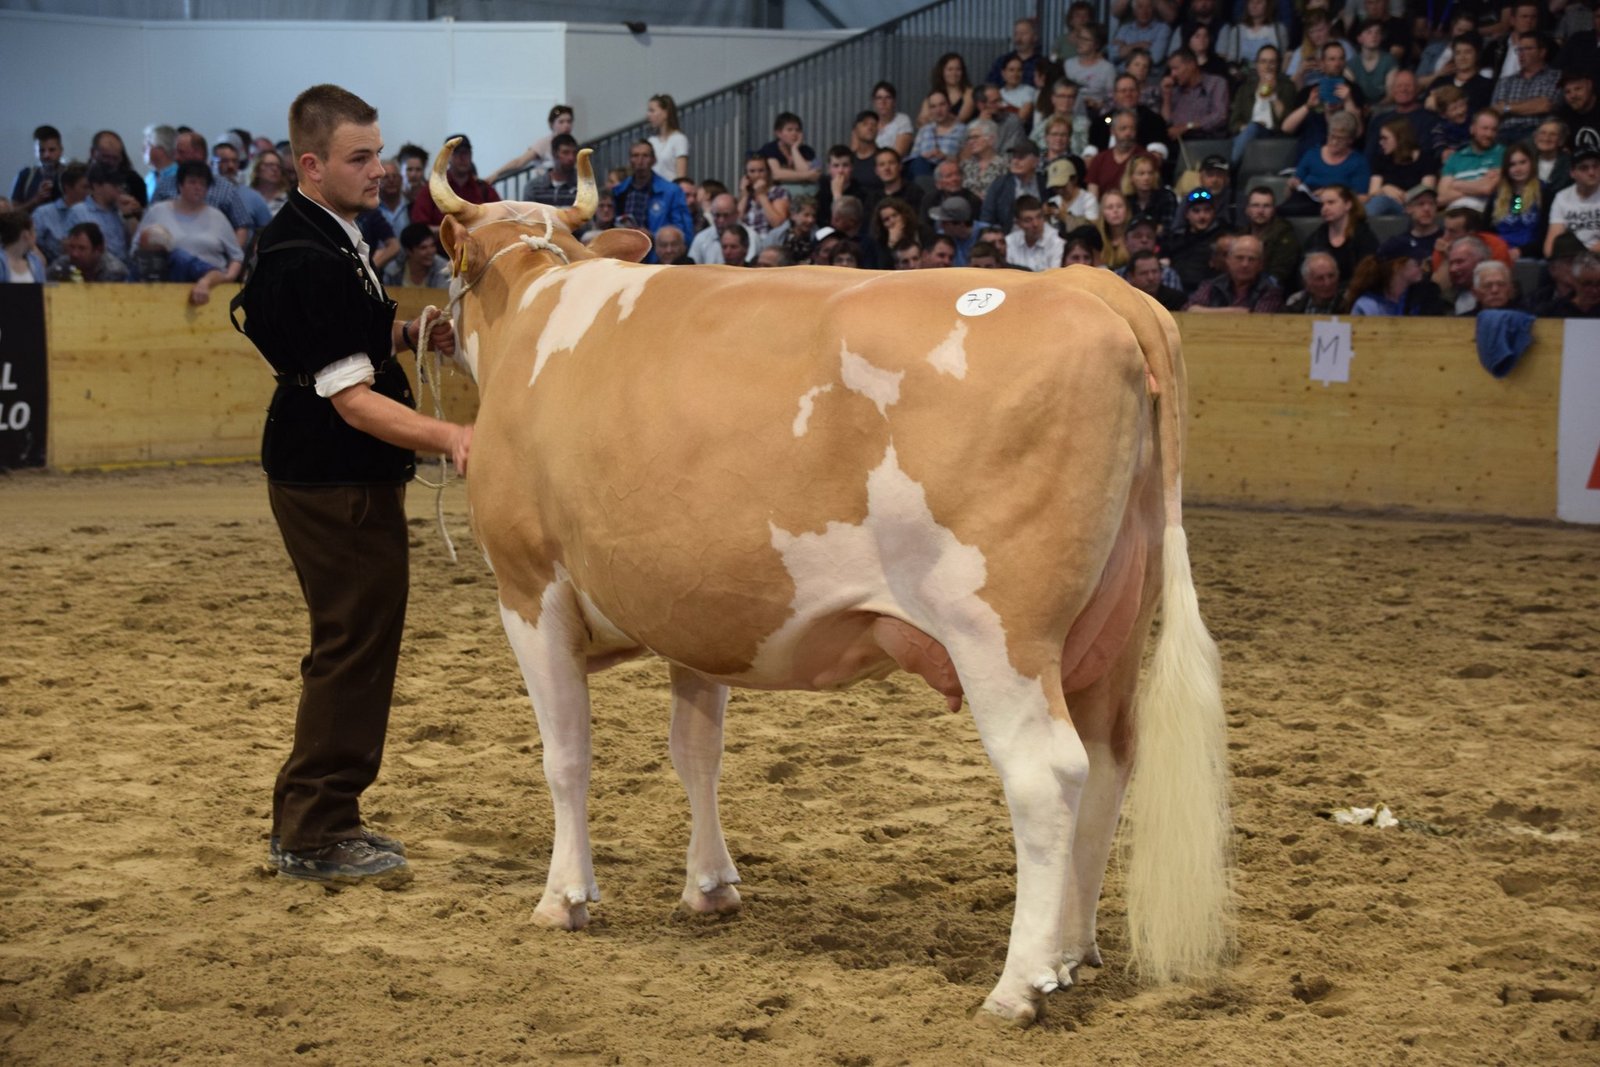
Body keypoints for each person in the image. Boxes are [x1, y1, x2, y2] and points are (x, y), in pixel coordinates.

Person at [234, 84, 470, 889]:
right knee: (352, 645)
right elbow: (354, 401)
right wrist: (457, 437)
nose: (381, 172)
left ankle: (323, 817)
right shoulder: (310, 256)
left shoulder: (327, 236)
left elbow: (346, 345)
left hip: (333, 474)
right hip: (336, 476)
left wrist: (405, 332)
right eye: (359, 158)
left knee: (356, 640)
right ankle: (313, 827)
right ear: (312, 164)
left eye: (378, 153)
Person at [133, 162, 243, 302]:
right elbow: (136, 248)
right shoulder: (157, 211)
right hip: (166, 287)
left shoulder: (218, 217)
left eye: (203, 184)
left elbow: (237, 257)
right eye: (192, 182)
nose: (198, 188)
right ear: (180, 185)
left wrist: (228, 278)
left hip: (212, 287)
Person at [611, 141, 694, 264]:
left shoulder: (671, 191)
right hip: (627, 258)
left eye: (645, 156)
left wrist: (654, 236)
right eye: (635, 156)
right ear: (630, 160)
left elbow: (684, 231)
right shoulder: (619, 191)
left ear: (653, 160)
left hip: (658, 259)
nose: (640, 160)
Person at [1282, 111, 1371, 217]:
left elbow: (1361, 198)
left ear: (1350, 140)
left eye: (1340, 139)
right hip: (1304, 201)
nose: (1334, 142)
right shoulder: (1312, 154)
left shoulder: (1358, 162)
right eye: (1332, 136)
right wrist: (1291, 184)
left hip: (1335, 209)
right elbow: (1292, 187)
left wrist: (1328, 194)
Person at [1229, 45, 1297, 168]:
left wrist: (1273, 96)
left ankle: (1231, 167)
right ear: (1257, 65)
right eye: (1263, 62)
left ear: (1277, 65)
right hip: (1249, 134)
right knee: (1253, 127)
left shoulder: (1287, 87)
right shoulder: (1245, 89)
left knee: (1254, 127)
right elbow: (1234, 123)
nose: (1267, 66)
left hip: (1274, 135)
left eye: (1272, 62)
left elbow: (1287, 121)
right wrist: (1246, 128)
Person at [411, 135, 499, 227]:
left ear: (471, 155)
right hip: (441, 241)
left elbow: (502, 219)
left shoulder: (484, 189)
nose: (462, 157)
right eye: (456, 152)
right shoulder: (431, 190)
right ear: (447, 157)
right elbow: (419, 228)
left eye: (466, 153)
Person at [1490, 33, 1562, 145]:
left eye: (1528, 49)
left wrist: (1507, 107)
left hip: (1536, 133)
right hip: (1504, 134)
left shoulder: (1554, 77)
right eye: (1519, 50)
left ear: (1542, 52)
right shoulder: (1506, 81)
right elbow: (1495, 110)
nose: (1521, 54)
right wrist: (1530, 106)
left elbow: (1544, 105)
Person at [1186, 234, 1285, 311]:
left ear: (1260, 265)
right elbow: (1188, 310)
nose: (1245, 264)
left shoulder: (1270, 290)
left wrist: (1207, 312)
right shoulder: (1213, 285)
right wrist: (1238, 311)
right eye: (1239, 258)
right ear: (1228, 260)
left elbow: (1256, 320)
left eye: (1251, 259)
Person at [1303, 184, 1378, 282]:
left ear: (1348, 205)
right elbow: (1304, 273)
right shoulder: (1316, 237)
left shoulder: (1364, 237)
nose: (1324, 209)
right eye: (1322, 204)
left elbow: (1368, 275)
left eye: (1331, 202)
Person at [485, 104, 574, 185]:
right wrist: (496, 173)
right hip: (545, 189)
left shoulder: (573, 143)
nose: (566, 125)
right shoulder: (543, 143)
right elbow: (519, 162)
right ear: (552, 124)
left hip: (568, 187)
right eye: (561, 122)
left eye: (569, 121)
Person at [1486, 142, 1546, 256]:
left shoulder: (1544, 192)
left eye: (1522, 162)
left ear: (1531, 163)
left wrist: (1521, 251)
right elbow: (1486, 230)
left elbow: (1546, 235)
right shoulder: (1497, 194)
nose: (1518, 169)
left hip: (1532, 256)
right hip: (1499, 253)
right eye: (1512, 164)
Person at [1438, 109, 1506, 210]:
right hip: (1454, 212)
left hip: (1485, 213)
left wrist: (1456, 184)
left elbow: (1487, 189)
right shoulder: (1455, 158)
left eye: (1493, 130)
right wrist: (1477, 187)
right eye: (1485, 128)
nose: (1489, 134)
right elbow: (1442, 198)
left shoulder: (1502, 153)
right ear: (1472, 129)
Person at [1165, 188, 1230, 290]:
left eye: (1207, 210)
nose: (1202, 216)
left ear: (1214, 213)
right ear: (1186, 214)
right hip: (1177, 291)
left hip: (1210, 292)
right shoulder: (1175, 238)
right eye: (1196, 211)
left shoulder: (1223, 238)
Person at [1367, 118, 1435, 215]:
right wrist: (1385, 189)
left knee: (1381, 201)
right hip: (1389, 204)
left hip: (1415, 206)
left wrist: (1403, 195)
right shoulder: (1380, 159)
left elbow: (1427, 190)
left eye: (1385, 138)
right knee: (1380, 201)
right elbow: (1372, 193)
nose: (1380, 142)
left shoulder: (1425, 159)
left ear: (1400, 138)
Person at [1161, 48, 1231, 141]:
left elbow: (1220, 116)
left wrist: (1188, 126)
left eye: (1176, 68)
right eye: (1171, 70)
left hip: (1206, 141)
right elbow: (1167, 121)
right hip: (1177, 142)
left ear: (1191, 65)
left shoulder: (1216, 83)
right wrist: (1166, 96)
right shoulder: (1175, 89)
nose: (1172, 74)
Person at [978, 141, 1047, 234]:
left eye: (1021, 157)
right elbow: (986, 218)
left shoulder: (1045, 183)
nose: (1015, 161)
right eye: (1014, 157)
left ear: (1036, 162)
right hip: (1007, 240)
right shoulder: (1000, 184)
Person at [1241, 185, 1302, 285]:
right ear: (1247, 210)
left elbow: (1279, 274)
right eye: (1255, 205)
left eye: (1266, 206)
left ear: (1273, 210)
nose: (1260, 211)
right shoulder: (1242, 234)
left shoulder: (1284, 234)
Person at [1545, 146, 1600, 255]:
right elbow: (1551, 244)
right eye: (1584, 168)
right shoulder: (1562, 197)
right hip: (1570, 258)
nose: (1591, 172)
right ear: (1572, 173)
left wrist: (1585, 258)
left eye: (1596, 166)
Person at [1345, 244, 1431, 313]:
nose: (1423, 268)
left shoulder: (1416, 298)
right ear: (1397, 266)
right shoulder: (1367, 305)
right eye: (1417, 263)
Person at [909, 91, 968, 179]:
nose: (938, 110)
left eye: (942, 105)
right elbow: (912, 158)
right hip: (923, 171)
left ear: (949, 105)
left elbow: (967, 161)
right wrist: (924, 156)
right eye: (933, 107)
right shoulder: (924, 130)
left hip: (949, 174)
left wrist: (945, 157)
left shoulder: (963, 130)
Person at [46, 222, 130, 282]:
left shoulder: (114, 271)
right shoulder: (61, 266)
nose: (74, 254)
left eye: (82, 248)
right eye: (72, 247)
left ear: (99, 249)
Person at [1064, 24, 1118, 116]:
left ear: (1096, 44)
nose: (1080, 42)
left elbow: (1113, 99)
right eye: (1079, 38)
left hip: (1096, 113)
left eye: (1085, 40)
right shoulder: (1068, 64)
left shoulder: (1107, 69)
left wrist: (1097, 104)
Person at [1219, 0, 1289, 69]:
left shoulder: (1279, 29)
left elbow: (1283, 57)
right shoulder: (1237, 30)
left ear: (1267, 6)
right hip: (1243, 76)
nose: (1254, 5)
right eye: (1251, 2)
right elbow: (1232, 59)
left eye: (1259, 2)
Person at [736, 153, 789, 241]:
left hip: (769, 241)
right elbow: (735, 223)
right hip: (747, 242)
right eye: (752, 171)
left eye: (761, 171)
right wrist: (744, 195)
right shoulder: (745, 195)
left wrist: (761, 195)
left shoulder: (779, 192)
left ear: (768, 172)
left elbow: (777, 224)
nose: (757, 175)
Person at [1345, 19, 1398, 105]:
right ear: (1360, 38)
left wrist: (1374, 109)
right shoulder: (1351, 65)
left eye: (1377, 32)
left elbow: (1391, 96)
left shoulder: (1389, 61)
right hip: (1360, 108)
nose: (1374, 36)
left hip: (1385, 108)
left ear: (1381, 37)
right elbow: (1351, 95)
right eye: (1369, 32)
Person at [382, 222, 452, 288]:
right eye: (423, 248)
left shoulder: (443, 268)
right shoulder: (393, 271)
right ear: (408, 251)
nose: (431, 251)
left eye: (432, 246)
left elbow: (442, 297)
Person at [1004, 195, 1065, 270]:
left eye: (1039, 217)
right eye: (1028, 220)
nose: (1035, 224)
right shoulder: (1009, 242)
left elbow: (1054, 277)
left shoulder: (1056, 242)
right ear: (1018, 223)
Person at [12, 125, 63, 212]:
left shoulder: (70, 175)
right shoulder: (26, 175)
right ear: (35, 151)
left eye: (52, 150)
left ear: (61, 150)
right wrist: (36, 200)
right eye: (41, 150)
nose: (46, 155)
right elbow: (13, 212)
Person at [524, 134, 581, 208]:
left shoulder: (581, 186)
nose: (571, 158)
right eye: (565, 152)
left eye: (574, 153)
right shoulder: (534, 187)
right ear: (554, 154)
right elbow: (527, 217)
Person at [921, 52, 977, 126]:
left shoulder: (969, 92)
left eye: (958, 69)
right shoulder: (934, 94)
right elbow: (922, 120)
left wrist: (934, 119)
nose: (954, 73)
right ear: (942, 72)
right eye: (950, 69)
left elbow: (961, 119)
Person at [1113, 0, 1174, 66]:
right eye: (1140, 7)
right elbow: (1113, 56)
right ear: (1134, 11)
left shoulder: (1163, 29)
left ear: (1154, 10)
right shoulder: (1125, 28)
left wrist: (1126, 48)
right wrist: (1139, 45)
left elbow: (1155, 58)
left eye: (1149, 7)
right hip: (1122, 73)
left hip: (1149, 74)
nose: (1144, 11)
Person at [644, 94, 689, 182]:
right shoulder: (651, 141)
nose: (648, 115)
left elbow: (681, 175)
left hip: (670, 190)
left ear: (665, 113)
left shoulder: (679, 139)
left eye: (652, 111)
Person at [0, 209, 46, 283]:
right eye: (34, 230)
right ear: (26, 234)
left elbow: (42, 291)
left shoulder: (36, 261)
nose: (36, 235)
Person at [871, 82, 916, 157]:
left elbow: (898, 154)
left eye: (888, 97)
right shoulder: (867, 122)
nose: (883, 102)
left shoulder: (902, 120)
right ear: (874, 102)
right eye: (879, 98)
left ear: (894, 101)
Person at [249, 149, 292, 217]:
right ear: (257, 168)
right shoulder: (248, 197)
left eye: (278, 166)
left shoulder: (289, 199)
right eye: (269, 165)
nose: (275, 169)